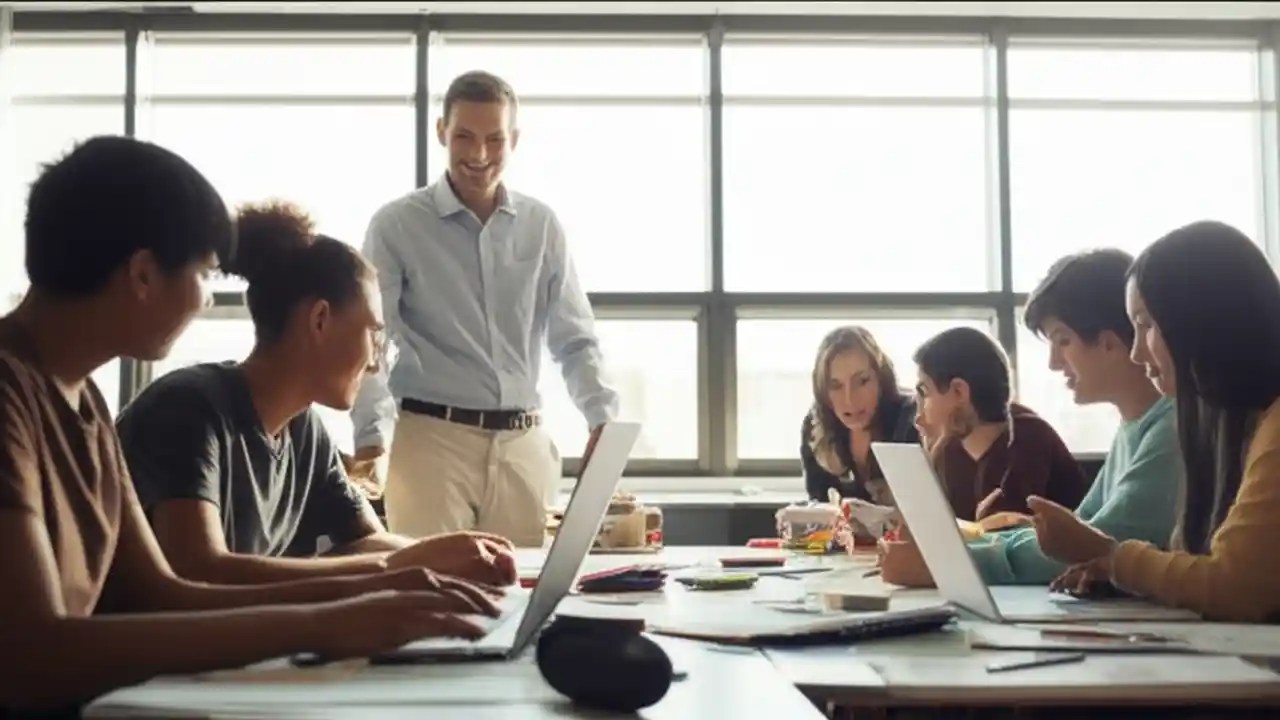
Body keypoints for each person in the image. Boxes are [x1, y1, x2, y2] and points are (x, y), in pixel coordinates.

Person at [0, 137, 496, 713]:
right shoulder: (11, 392)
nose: (206, 301)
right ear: (143, 275)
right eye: (202, 274)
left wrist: (378, 590)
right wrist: (325, 621)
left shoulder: (81, 396)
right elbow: (31, 655)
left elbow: (160, 593)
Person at [116, 201, 517, 588]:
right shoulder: (188, 410)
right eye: (373, 334)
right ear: (320, 319)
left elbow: (366, 541)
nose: (375, 362)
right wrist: (401, 565)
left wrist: (452, 556)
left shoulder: (304, 430)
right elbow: (199, 570)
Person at [351, 70, 618, 546]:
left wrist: (603, 418)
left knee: (525, 583)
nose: (479, 155)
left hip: (523, 444)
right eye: (464, 137)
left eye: (494, 139)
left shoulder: (541, 225)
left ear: (514, 139)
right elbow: (372, 341)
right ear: (441, 132)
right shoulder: (396, 225)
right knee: (429, 584)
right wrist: (372, 438)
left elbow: (574, 338)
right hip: (431, 444)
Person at [1030, 221, 1280, 623]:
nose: (1135, 353)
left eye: (1145, 325)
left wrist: (1112, 557)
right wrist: (1125, 576)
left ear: (1200, 321)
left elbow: (1236, 585)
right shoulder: (1228, 426)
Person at [965, 249, 1181, 585]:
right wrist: (983, 540)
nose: (1054, 362)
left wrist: (953, 560)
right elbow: (1081, 529)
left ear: (1110, 343)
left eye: (1062, 341)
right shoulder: (1134, 426)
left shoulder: (1172, 430)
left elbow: (1086, 547)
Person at [913, 326, 1087, 521]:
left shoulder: (1030, 437)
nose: (919, 415)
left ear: (959, 392)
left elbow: (1007, 525)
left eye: (925, 392)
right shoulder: (948, 451)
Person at [801, 326, 920, 506]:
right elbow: (819, 507)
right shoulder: (815, 427)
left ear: (881, 379)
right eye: (836, 386)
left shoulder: (913, 420)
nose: (850, 400)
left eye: (862, 381)